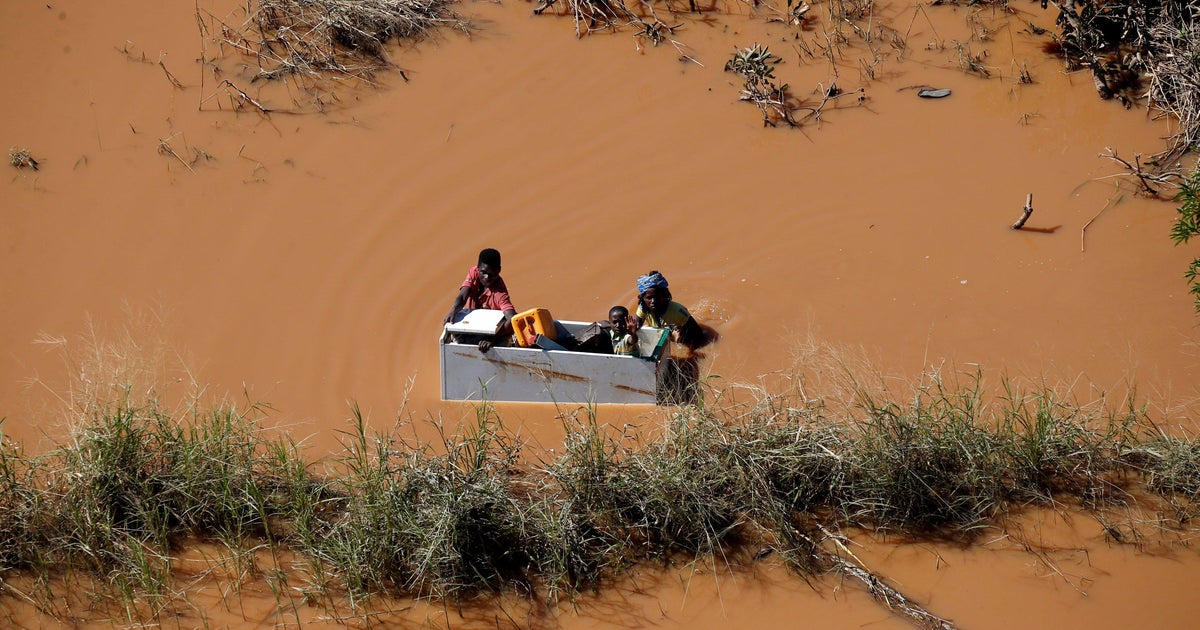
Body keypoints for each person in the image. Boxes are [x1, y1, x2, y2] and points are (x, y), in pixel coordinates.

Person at [444, 248, 517, 353]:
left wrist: (492, 338)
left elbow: (512, 318)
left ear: (499, 270)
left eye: (491, 274)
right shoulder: (474, 273)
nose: (486, 277)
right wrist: (452, 311)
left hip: (490, 331)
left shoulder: (499, 292)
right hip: (471, 325)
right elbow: (462, 297)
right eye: (483, 272)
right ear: (478, 268)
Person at [633, 270, 706, 349]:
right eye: (649, 298)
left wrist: (677, 339)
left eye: (657, 297)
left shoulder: (678, 311)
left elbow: (698, 335)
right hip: (665, 333)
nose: (653, 301)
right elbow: (635, 328)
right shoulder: (643, 308)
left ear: (664, 295)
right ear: (643, 299)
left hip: (682, 339)